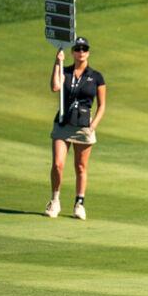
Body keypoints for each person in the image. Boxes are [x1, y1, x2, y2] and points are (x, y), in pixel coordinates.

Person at [47, 37, 106, 220]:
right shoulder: (65, 71)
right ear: (73, 52)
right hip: (63, 124)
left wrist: (93, 126)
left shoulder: (96, 77)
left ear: (88, 52)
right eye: (78, 49)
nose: (81, 52)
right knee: (58, 164)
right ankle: (55, 200)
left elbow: (102, 105)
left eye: (84, 49)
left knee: (80, 166)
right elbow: (55, 87)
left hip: (83, 127)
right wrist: (58, 61)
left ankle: (79, 203)